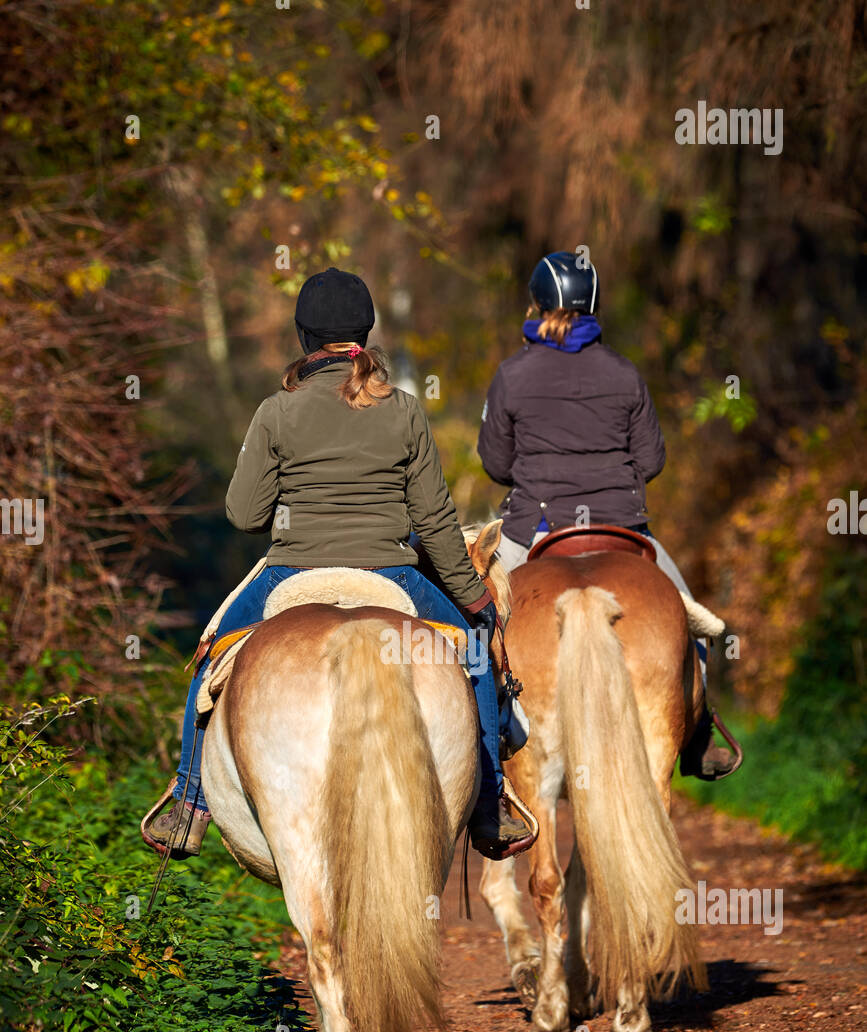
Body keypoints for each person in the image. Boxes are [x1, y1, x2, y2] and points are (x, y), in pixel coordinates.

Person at [143, 268, 532, 858]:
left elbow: (244, 513)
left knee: (210, 654)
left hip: (290, 571)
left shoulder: (276, 411)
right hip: (392, 572)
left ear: (304, 336)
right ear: (365, 333)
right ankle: (489, 805)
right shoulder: (403, 409)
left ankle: (190, 805)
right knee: (474, 652)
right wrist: (475, 602)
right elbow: (433, 521)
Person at [477, 250, 739, 780]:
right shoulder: (624, 371)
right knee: (690, 624)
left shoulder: (511, 374)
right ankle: (701, 732)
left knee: (477, 623)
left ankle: (481, 743)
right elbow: (653, 460)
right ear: (593, 304)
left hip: (535, 530)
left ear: (537, 304)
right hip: (623, 530)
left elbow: (496, 464)